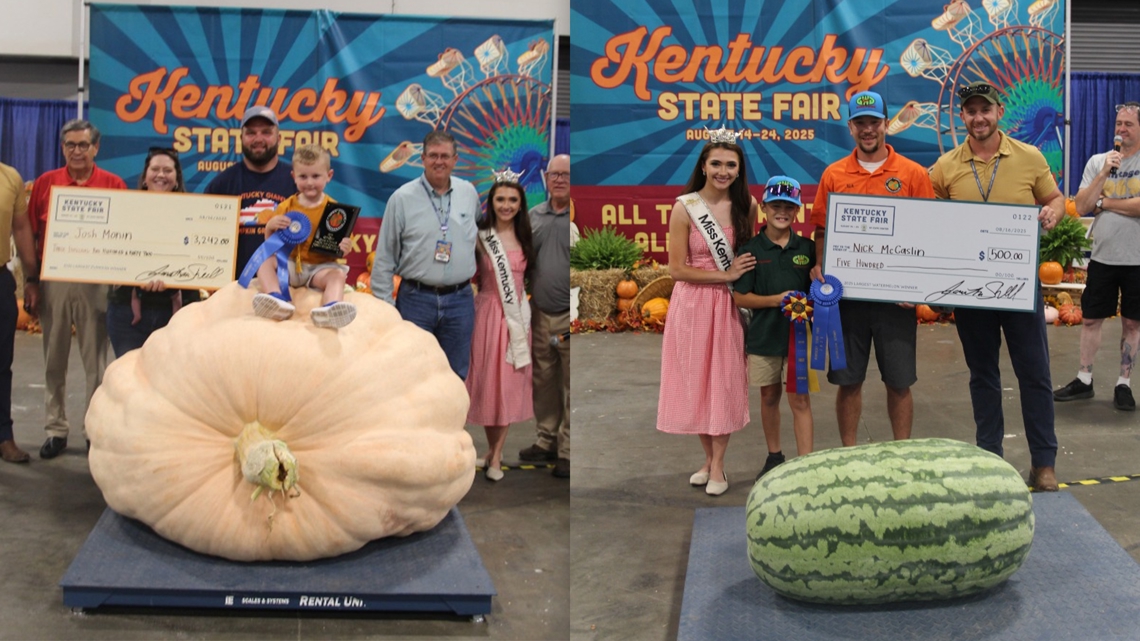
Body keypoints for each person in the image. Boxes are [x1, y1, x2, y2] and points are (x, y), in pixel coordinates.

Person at [929, 81, 1065, 492]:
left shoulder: (1029, 157)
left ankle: (1044, 464)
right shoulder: (945, 166)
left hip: (1019, 287)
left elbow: (1056, 197)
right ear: (962, 117)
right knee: (982, 376)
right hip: (970, 291)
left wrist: (1054, 212)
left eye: (984, 110)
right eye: (970, 111)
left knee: (1035, 374)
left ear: (998, 111)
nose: (978, 118)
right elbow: (930, 225)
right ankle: (990, 460)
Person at [810, 91, 934, 447]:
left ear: (885, 125)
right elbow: (821, 229)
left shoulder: (912, 174)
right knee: (848, 381)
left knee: (899, 381)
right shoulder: (833, 175)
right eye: (860, 123)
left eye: (874, 122)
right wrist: (820, 263)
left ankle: (901, 452)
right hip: (847, 298)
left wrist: (917, 288)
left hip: (897, 302)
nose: (868, 130)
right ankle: (850, 452)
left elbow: (927, 233)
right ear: (850, 127)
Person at [656, 132, 757, 496]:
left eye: (731, 164)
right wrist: (724, 274)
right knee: (696, 382)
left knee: (724, 382)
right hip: (692, 304)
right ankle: (709, 460)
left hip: (729, 306)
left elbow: (750, 261)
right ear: (703, 165)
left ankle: (719, 465)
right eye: (716, 163)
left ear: (739, 169)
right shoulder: (685, 207)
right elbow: (677, 270)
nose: (723, 170)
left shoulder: (749, 206)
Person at [27, 119, 126, 459]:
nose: (77, 151)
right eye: (70, 145)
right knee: (53, 358)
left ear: (96, 148)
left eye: (83, 145)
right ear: (62, 148)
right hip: (54, 280)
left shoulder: (113, 184)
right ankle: (55, 428)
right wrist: (31, 280)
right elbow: (31, 235)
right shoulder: (45, 183)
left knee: (95, 360)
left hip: (96, 281)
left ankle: (91, 429)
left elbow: (124, 235)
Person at [1053, 101, 1140, 412]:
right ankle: (1084, 379)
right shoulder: (1098, 162)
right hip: (1103, 256)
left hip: (1137, 259)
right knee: (1090, 319)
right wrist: (1105, 173)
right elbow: (1085, 204)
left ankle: (1123, 384)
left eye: (1128, 125)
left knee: (1132, 322)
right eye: (1118, 124)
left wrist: (1108, 203)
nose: (1121, 130)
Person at [372, 130, 479, 378]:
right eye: (433, 155)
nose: (438, 161)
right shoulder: (401, 198)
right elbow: (384, 258)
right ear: (422, 159)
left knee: (456, 375)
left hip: (460, 300)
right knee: (412, 374)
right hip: (415, 301)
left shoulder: (469, 194)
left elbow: (480, 241)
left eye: (445, 156)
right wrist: (386, 310)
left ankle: (452, 419)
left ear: (455, 159)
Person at [733, 176, 815, 479]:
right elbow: (741, 296)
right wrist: (776, 300)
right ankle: (774, 455)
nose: (783, 212)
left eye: (789, 207)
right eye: (776, 205)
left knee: (800, 399)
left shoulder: (806, 248)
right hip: (764, 338)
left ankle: (806, 462)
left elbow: (817, 294)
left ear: (797, 211)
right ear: (764, 207)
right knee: (768, 396)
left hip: (799, 340)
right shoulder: (750, 250)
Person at [466, 174, 535, 482]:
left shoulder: (527, 236)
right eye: (500, 199)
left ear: (521, 205)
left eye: (512, 200)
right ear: (491, 203)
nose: (506, 205)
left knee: (507, 384)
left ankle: (496, 453)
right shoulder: (480, 236)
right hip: (486, 315)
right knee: (486, 383)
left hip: (516, 319)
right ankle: (492, 448)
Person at [106, 148, 201, 357]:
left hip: (179, 312)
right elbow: (114, 255)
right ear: (145, 177)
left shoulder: (195, 214)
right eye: (155, 169)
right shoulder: (125, 210)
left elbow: (199, 259)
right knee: (129, 378)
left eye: (168, 170)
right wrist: (134, 276)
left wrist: (173, 279)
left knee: (173, 380)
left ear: (176, 180)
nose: (161, 175)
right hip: (127, 313)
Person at [253, 144, 355, 328]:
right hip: (289, 266)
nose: (309, 182)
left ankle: (331, 307)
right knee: (263, 261)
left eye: (316, 176)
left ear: (329, 176)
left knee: (337, 275)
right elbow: (270, 246)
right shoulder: (286, 207)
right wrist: (269, 227)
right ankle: (275, 298)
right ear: (294, 177)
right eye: (303, 176)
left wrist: (344, 249)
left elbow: (341, 249)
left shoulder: (336, 212)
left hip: (319, 269)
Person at [518, 154, 572, 479]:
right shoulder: (533, 217)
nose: (560, 180)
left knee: (572, 383)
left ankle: (567, 450)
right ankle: (546, 439)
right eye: (554, 174)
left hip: (570, 317)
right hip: (540, 315)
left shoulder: (579, 218)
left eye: (566, 174)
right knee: (544, 380)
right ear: (546, 178)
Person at [204, 106, 295, 274]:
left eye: (266, 132)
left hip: (286, 287)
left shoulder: (297, 182)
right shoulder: (220, 186)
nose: (258, 139)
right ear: (241, 138)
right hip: (233, 288)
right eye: (251, 133)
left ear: (279, 138)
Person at [0, 163, 40, 463]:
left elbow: (22, 227)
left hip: (0, 277)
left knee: (2, 364)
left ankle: (4, 436)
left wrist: (31, 278)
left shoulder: (9, 177)